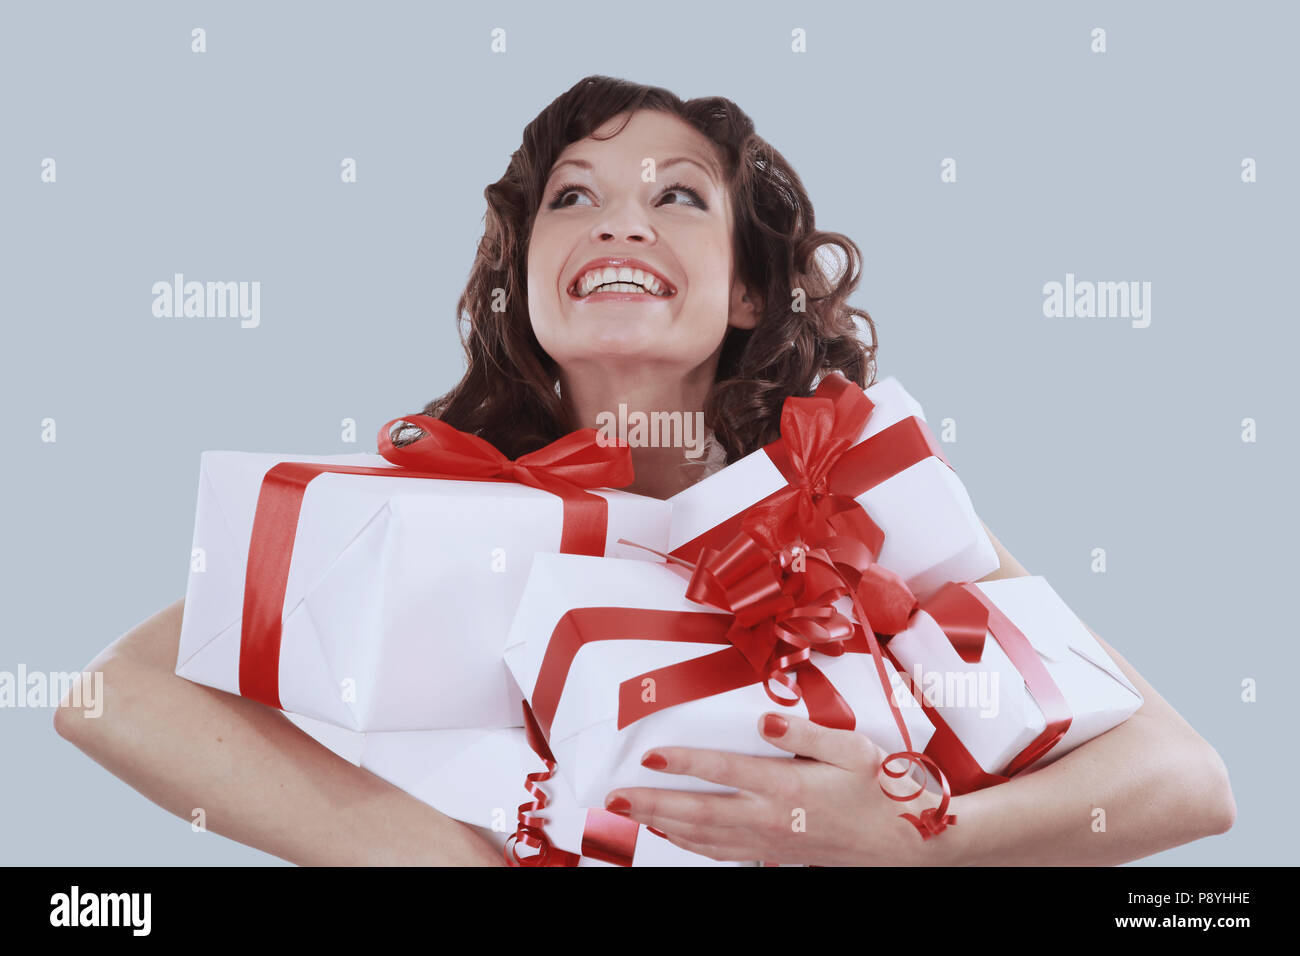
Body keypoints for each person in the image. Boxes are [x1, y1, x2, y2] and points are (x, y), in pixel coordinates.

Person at [55, 75, 1235, 866]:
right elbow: (112, 693)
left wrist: (907, 835)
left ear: (748, 292)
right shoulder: (436, 507)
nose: (620, 222)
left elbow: (1181, 776)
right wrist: (478, 853)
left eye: (678, 196)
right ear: (527, 280)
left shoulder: (848, 493)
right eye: (574, 197)